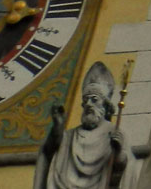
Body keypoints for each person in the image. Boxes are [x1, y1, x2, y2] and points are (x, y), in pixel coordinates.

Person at [33, 60, 129, 189]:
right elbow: (48, 151)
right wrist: (58, 126)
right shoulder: (70, 135)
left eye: (94, 99)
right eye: (86, 100)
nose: (89, 103)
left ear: (105, 105)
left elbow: (121, 172)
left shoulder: (113, 133)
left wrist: (118, 153)